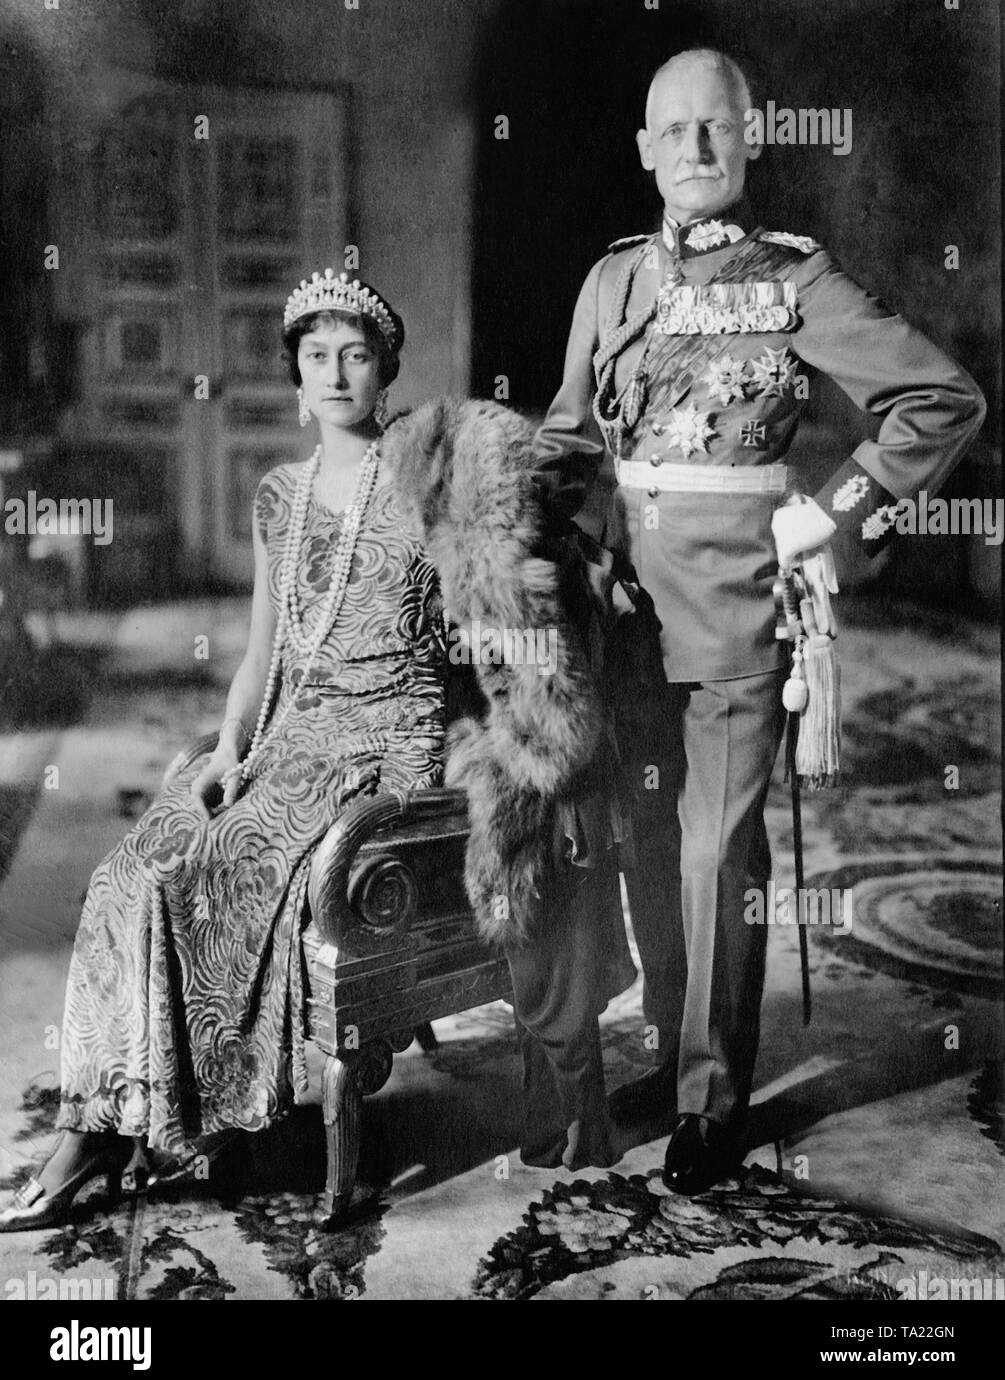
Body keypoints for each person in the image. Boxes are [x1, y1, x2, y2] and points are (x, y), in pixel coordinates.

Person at [1, 269, 631, 1233]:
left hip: (386, 744)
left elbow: (508, 619)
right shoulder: (277, 496)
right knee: (133, 870)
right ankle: (117, 1115)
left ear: (385, 372)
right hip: (292, 735)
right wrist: (227, 748)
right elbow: (263, 654)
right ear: (295, 377)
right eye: (317, 356)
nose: (336, 374)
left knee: (216, 870)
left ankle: (153, 1128)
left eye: (356, 355)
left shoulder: (433, 480)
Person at [532, 48, 986, 1194]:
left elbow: (940, 398)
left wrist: (829, 517)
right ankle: (670, 1051)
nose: (696, 148)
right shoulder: (611, 282)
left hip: (737, 614)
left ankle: (710, 1101)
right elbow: (572, 439)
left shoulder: (793, 278)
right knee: (647, 844)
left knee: (713, 852)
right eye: (674, 129)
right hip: (627, 619)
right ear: (645, 149)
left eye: (717, 127)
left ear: (750, 139)